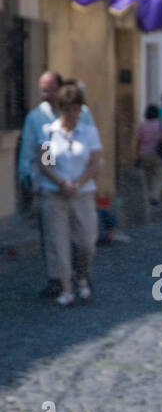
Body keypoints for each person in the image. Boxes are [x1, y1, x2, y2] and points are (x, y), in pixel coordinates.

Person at [19, 71, 99, 297]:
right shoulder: (41, 123)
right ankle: (62, 284)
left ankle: (81, 275)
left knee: (84, 240)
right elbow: (38, 157)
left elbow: (95, 159)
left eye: (50, 89)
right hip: (53, 190)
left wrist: (82, 182)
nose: (45, 94)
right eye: (42, 89)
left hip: (82, 191)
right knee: (55, 240)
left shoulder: (86, 123)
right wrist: (53, 181)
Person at [135, 104, 162, 205]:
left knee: (147, 176)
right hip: (159, 153)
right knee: (159, 175)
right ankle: (155, 196)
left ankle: (147, 195)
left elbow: (138, 141)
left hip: (145, 154)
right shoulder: (161, 124)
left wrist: (138, 154)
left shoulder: (142, 125)